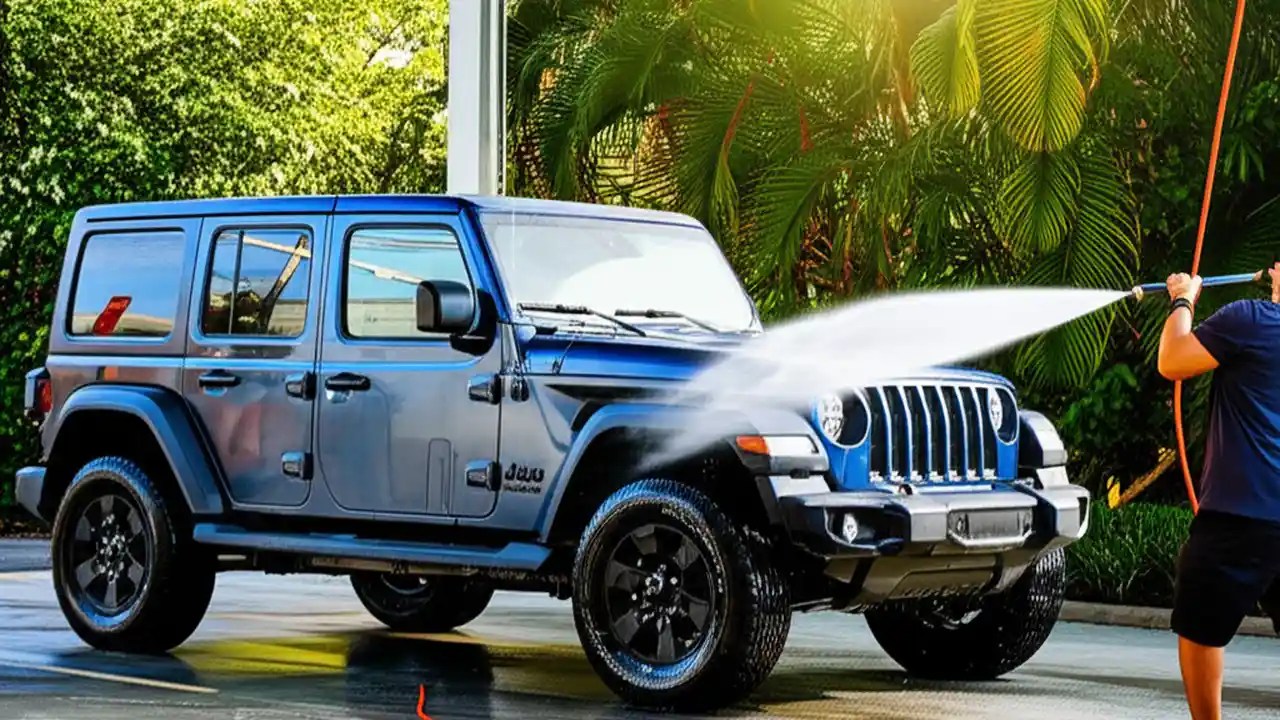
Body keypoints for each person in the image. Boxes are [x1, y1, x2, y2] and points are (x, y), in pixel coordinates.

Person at [1158, 262, 1280, 720]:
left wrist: (1183, 300)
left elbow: (1173, 360)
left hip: (1239, 518)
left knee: (1201, 626)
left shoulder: (1251, 320)